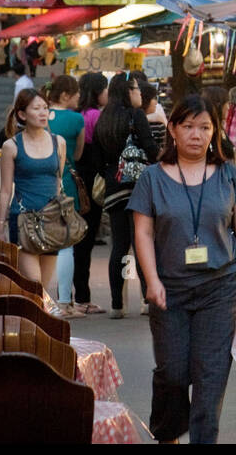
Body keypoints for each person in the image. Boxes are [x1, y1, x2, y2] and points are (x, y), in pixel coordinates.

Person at [131, 95, 236, 444]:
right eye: (188, 126)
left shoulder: (230, 175)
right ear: (172, 129)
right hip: (169, 290)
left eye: (204, 127)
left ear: (214, 132)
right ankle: (168, 431)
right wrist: (152, 279)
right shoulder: (152, 178)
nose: (196, 135)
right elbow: (142, 231)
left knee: (210, 376)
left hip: (218, 289)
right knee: (173, 372)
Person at [0, 88, 69, 316]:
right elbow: (5, 189)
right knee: (34, 284)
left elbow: (58, 181)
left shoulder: (59, 143)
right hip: (24, 220)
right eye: (36, 108)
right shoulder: (11, 146)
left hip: (52, 220)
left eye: (45, 108)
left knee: (45, 289)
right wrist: (0, 225)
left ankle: (40, 336)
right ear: (22, 114)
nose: (43, 112)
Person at [96, 72, 160, 317]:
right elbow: (151, 149)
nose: (140, 93)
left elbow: (98, 159)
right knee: (142, 243)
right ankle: (146, 299)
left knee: (119, 246)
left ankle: (116, 305)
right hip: (138, 188)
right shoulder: (136, 115)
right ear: (127, 92)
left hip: (114, 187)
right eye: (136, 89)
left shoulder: (104, 119)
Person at [47, 74, 90, 316]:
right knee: (66, 245)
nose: (79, 98)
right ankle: (64, 300)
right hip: (66, 183)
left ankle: (43, 299)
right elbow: (80, 153)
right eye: (76, 94)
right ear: (65, 95)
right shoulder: (76, 119)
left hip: (41, 182)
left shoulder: (41, 117)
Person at [72, 71, 110, 313]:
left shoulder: (77, 116)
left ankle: (70, 293)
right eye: (104, 89)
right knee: (85, 241)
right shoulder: (96, 116)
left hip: (76, 178)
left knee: (75, 241)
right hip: (92, 180)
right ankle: (83, 296)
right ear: (97, 92)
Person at [200, 84, 236, 162]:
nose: (228, 107)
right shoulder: (209, 132)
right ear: (218, 105)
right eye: (227, 104)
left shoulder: (218, 128)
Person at [141, 81, 167, 148]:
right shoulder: (157, 124)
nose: (156, 103)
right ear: (146, 100)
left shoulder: (128, 122)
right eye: (154, 98)